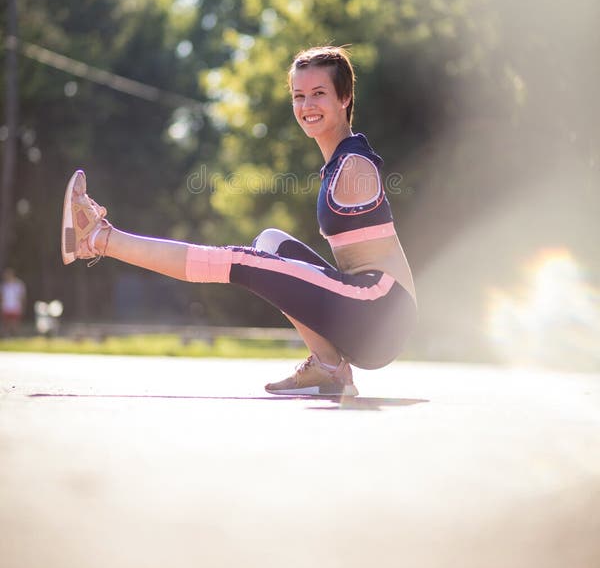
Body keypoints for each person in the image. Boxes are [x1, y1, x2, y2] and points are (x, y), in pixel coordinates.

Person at [61, 46, 417, 396]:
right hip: (370, 309)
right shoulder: (339, 160)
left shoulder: (354, 164)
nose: (306, 105)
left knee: (243, 261)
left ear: (345, 98)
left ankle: (98, 239)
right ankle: (328, 367)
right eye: (298, 95)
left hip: (381, 312)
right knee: (270, 243)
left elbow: (370, 186)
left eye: (319, 94)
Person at [1, 267, 27, 337]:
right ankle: (7, 337)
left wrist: (22, 306)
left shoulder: (18, 285)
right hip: (6, 307)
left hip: (16, 307)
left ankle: (16, 336)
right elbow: (2, 297)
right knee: (6, 324)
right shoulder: (4, 286)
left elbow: (22, 297)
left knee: (15, 324)